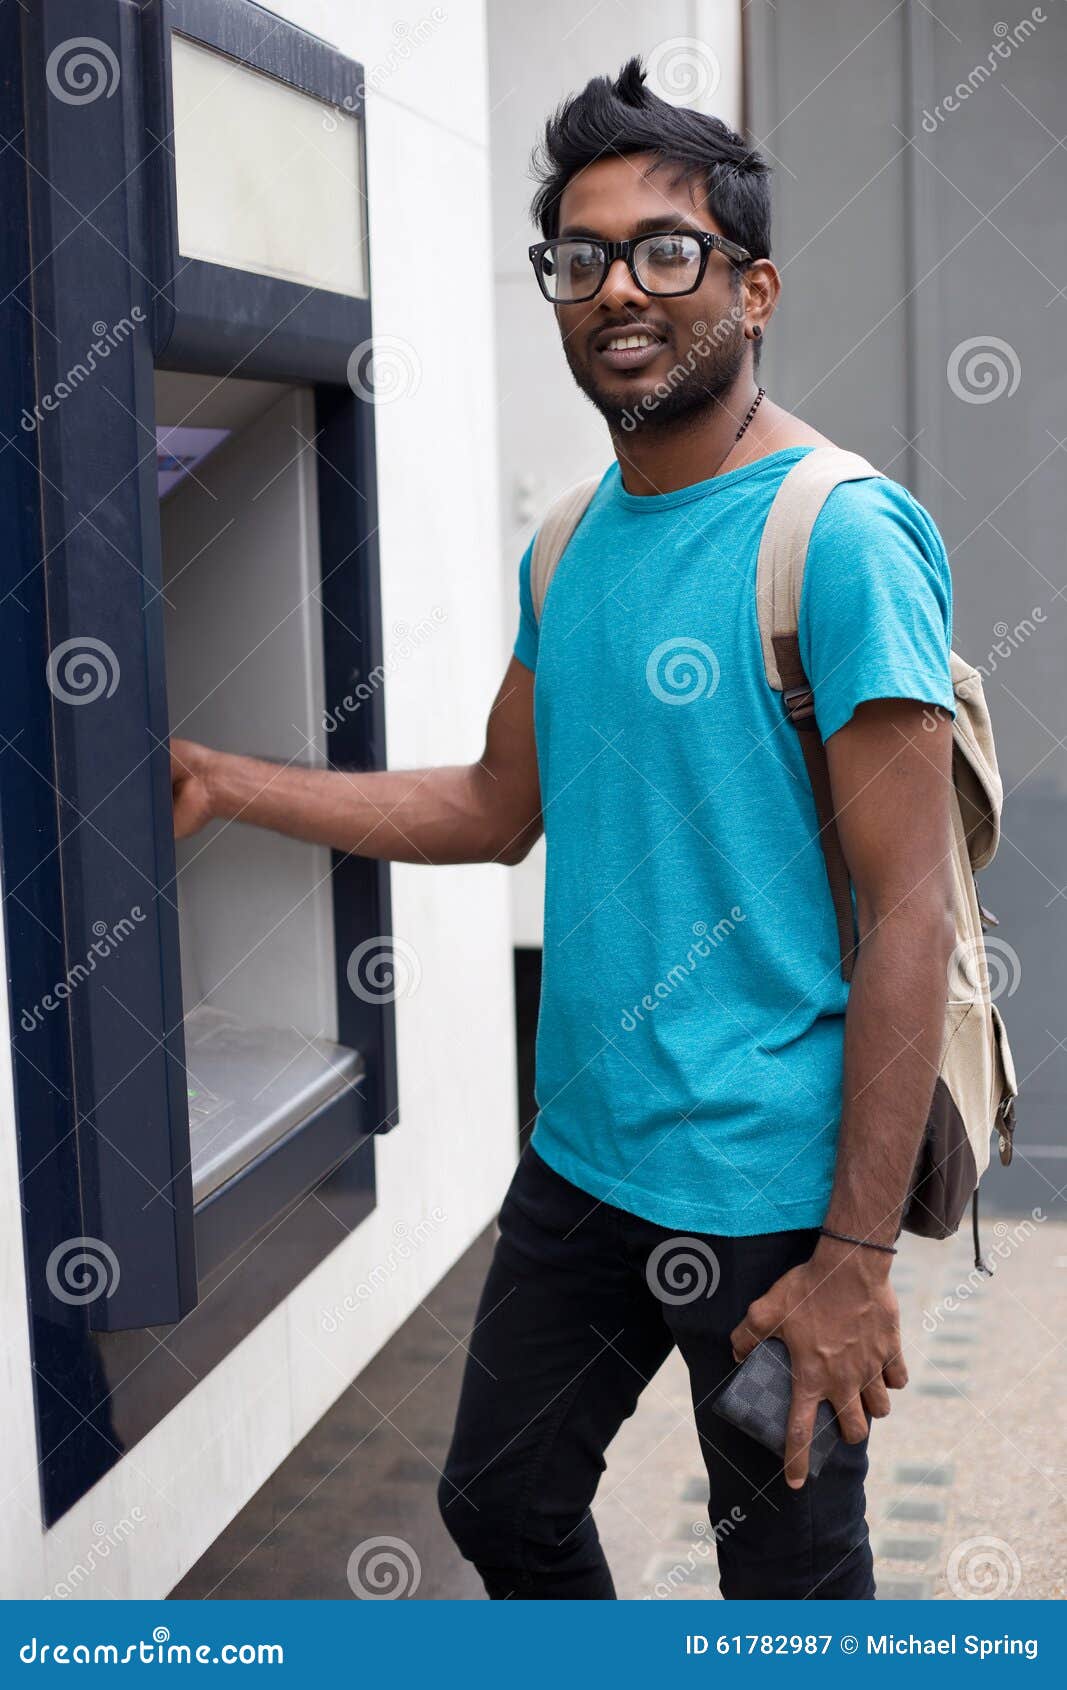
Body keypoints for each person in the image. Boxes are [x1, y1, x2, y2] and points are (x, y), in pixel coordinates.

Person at [171, 58, 958, 1600]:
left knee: (791, 1597)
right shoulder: (568, 541)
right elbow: (494, 805)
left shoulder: (839, 535)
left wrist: (855, 1261)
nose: (617, 290)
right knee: (499, 1500)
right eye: (580, 258)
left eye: (665, 251)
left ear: (755, 286)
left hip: (769, 1193)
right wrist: (230, 781)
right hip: (584, 1160)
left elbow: (915, 908)